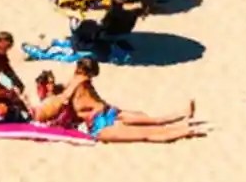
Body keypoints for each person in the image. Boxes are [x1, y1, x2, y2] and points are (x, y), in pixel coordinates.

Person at [67, 57, 200, 143]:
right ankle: (185, 130)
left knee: (150, 122)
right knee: (147, 133)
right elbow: (66, 102)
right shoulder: (75, 86)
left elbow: (93, 103)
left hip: (108, 114)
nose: (90, 78)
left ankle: (182, 116)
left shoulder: (85, 84)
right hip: (100, 124)